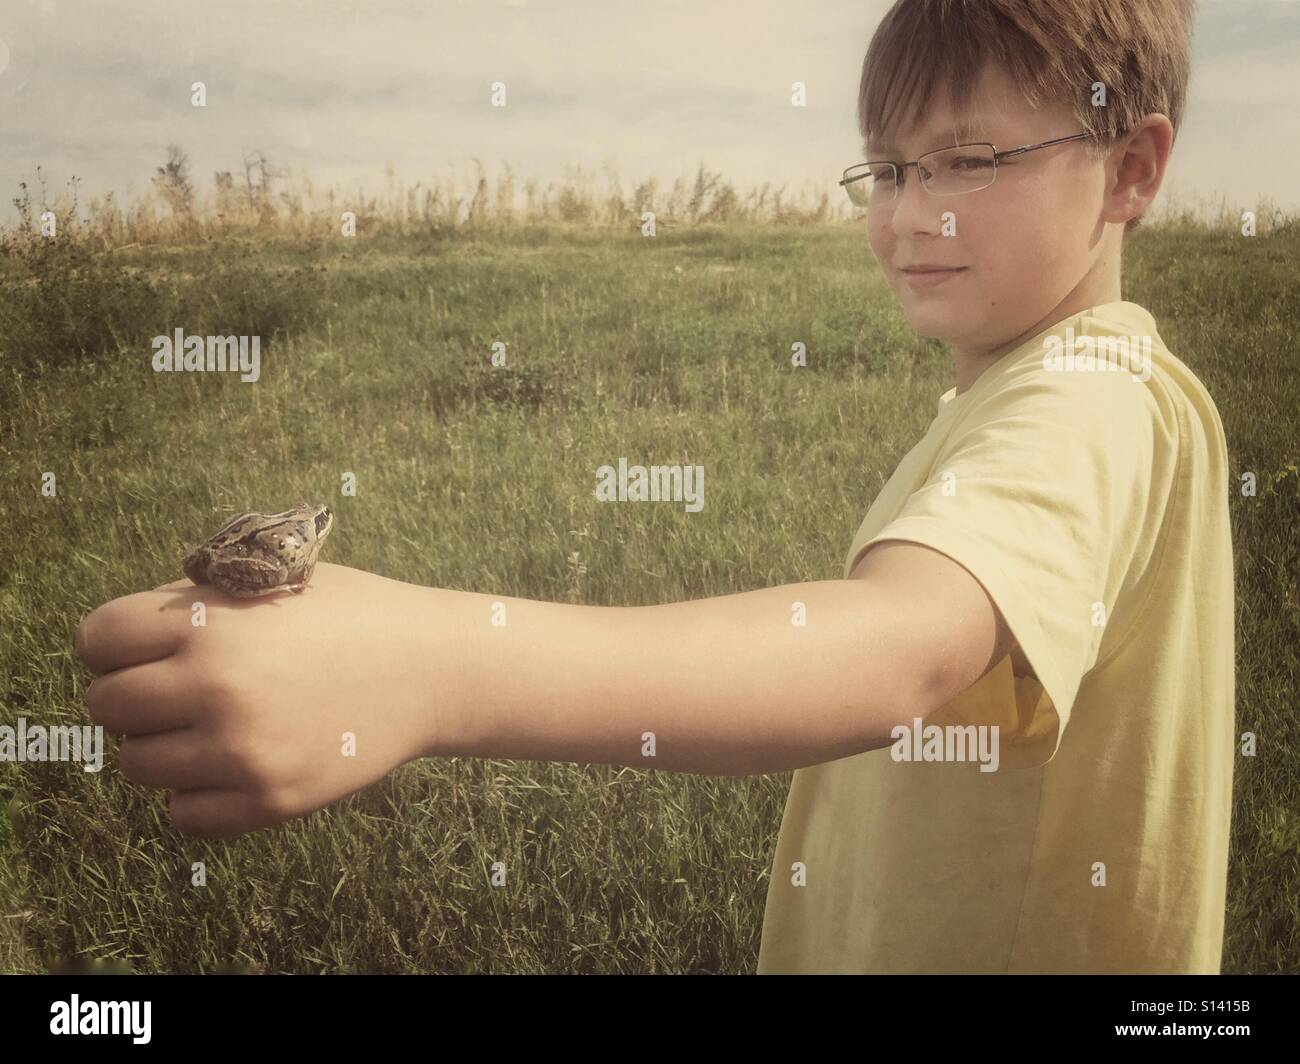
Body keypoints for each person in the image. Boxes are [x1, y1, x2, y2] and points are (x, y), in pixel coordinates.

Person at [76, 0, 1232, 974]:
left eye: (967, 161)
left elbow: (897, 648)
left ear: (1129, 167)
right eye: (886, 167)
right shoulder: (1047, 391)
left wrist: (431, 664)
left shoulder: (1086, 399)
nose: (902, 214)